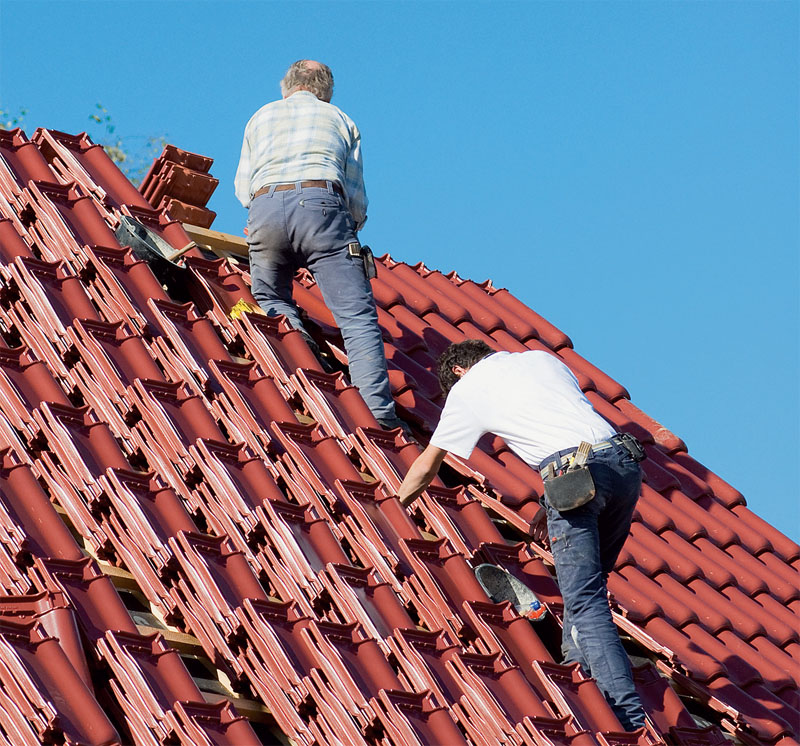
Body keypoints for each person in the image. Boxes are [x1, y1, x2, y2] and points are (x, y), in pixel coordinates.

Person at [396, 340, 647, 731]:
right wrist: (554, 503)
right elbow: (571, 428)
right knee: (590, 582)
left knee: (584, 599)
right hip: (623, 464)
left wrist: (393, 506)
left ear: (458, 371)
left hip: (573, 472)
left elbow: (428, 465)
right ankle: (576, 667)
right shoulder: (541, 359)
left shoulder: (467, 389)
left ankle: (627, 717)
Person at [234, 60, 404, 431]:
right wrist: (346, 233)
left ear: (287, 86)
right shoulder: (340, 119)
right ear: (325, 91)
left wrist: (269, 214)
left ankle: (302, 364)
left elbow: (242, 186)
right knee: (356, 318)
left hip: (264, 209)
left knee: (271, 299)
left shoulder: (260, 117)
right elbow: (355, 196)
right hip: (322, 204)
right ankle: (378, 418)